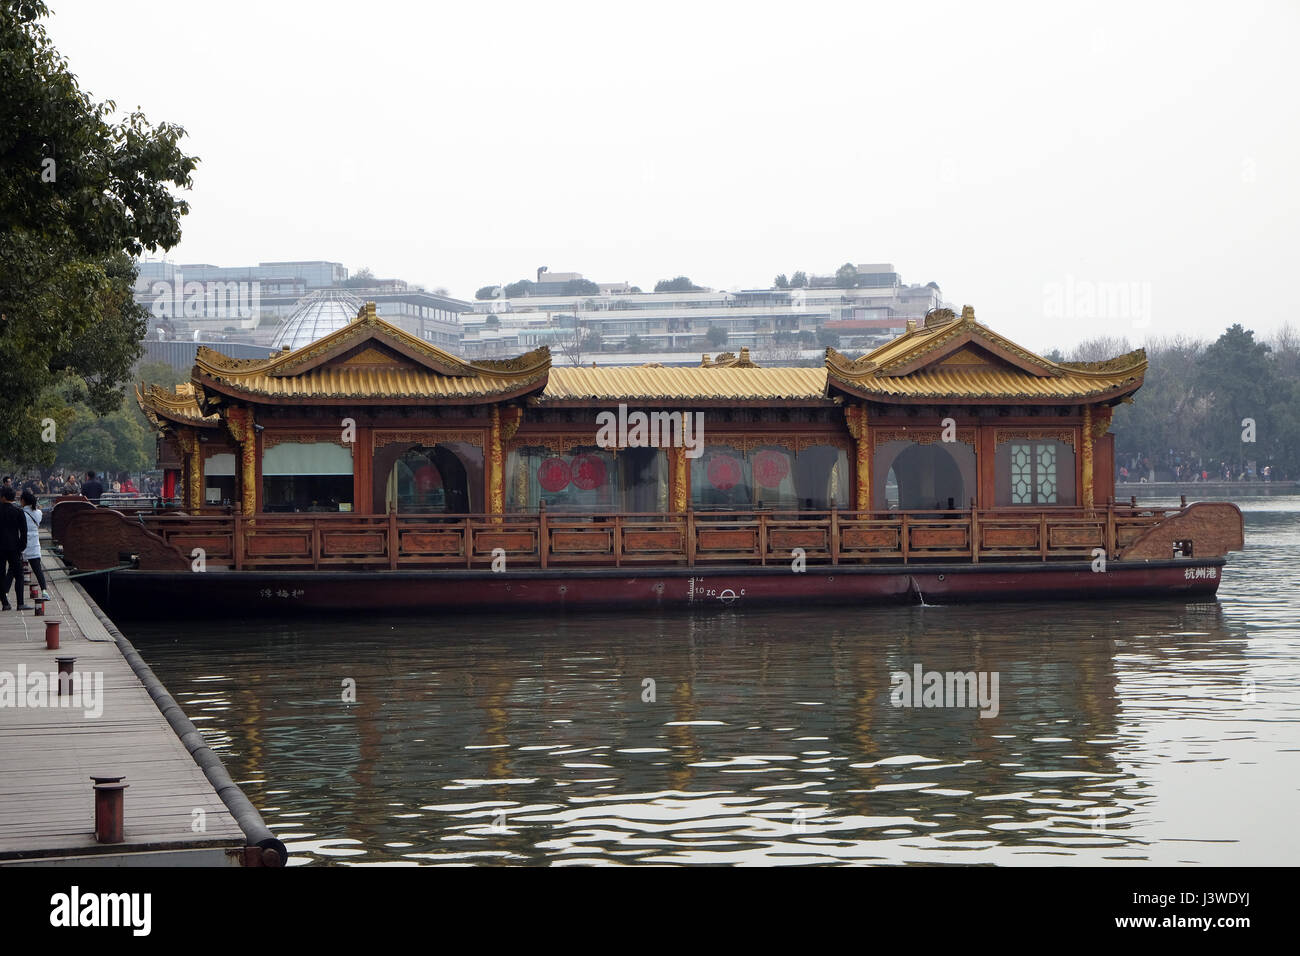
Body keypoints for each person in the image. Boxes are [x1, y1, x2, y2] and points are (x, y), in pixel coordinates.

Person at [0, 485, 28, 610]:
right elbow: (24, 532)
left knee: (0, 575)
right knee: (19, 575)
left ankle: (5, 603)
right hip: (14, 547)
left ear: (3, 497)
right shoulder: (18, 511)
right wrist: (22, 546)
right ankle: (20, 603)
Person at [19, 490, 48, 601]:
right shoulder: (38, 513)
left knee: (14, 570)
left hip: (22, 543)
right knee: (37, 570)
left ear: (23, 501)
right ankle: (44, 591)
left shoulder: (20, 513)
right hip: (34, 544)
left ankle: (6, 593)